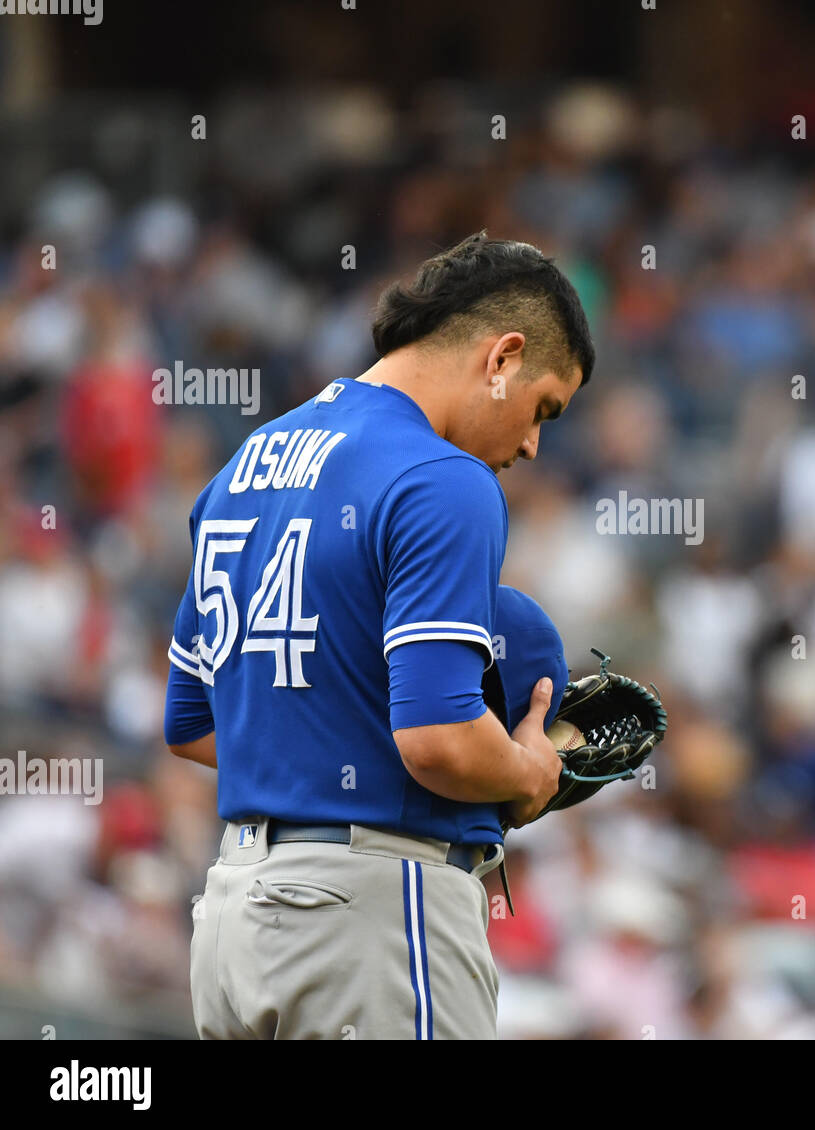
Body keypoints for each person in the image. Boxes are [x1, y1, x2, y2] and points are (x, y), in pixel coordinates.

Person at [164, 232, 595, 1039]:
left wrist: (341, 757)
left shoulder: (244, 465)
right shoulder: (443, 477)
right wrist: (526, 771)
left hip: (231, 919)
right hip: (370, 924)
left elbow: (194, 727)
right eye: (543, 408)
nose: (534, 444)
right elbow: (438, 741)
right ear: (502, 356)